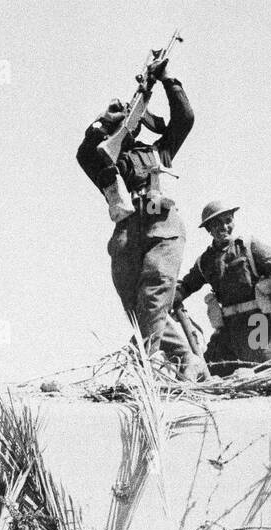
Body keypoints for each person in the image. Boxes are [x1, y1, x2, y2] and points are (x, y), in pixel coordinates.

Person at [76, 56, 207, 382]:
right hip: (127, 235)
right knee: (139, 306)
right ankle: (187, 361)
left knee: (154, 292)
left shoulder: (157, 152)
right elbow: (84, 153)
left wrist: (167, 80)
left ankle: (144, 367)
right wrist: (102, 121)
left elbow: (185, 119)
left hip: (161, 226)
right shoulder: (106, 160)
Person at [173, 201, 271, 376]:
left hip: (258, 324)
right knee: (206, 373)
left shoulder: (249, 247)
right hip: (228, 330)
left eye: (228, 220)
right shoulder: (205, 261)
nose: (224, 227)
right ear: (209, 229)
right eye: (217, 224)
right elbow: (186, 286)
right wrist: (169, 298)